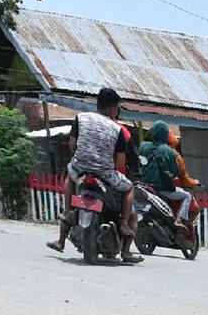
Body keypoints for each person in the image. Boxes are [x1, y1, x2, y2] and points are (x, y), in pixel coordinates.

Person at [49, 87, 141, 261]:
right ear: (112, 109)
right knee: (129, 188)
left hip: (81, 168)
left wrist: (83, 159)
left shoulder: (81, 118)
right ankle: (123, 224)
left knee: (70, 175)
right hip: (104, 173)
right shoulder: (117, 129)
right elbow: (120, 162)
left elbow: (72, 146)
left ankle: (67, 213)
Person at [140, 121, 200, 231]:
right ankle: (179, 220)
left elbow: (140, 163)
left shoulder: (143, 146)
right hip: (163, 188)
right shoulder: (170, 152)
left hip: (144, 185)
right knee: (187, 196)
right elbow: (177, 172)